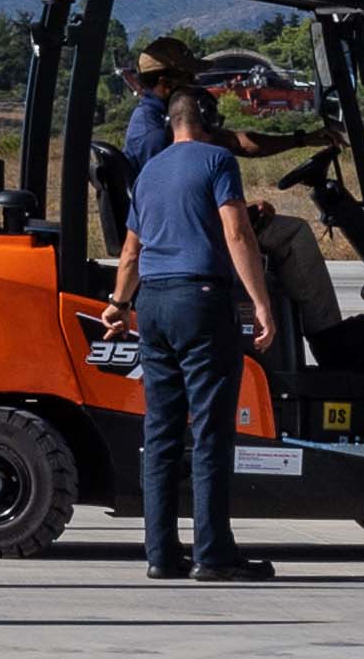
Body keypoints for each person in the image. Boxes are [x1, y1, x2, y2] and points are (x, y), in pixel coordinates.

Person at [107, 84, 280, 582]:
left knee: (160, 429)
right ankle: (213, 553)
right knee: (209, 429)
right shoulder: (217, 162)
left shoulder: (148, 172)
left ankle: (160, 553)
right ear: (206, 117)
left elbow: (131, 252)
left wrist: (119, 305)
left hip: (153, 305)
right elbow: (236, 232)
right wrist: (262, 303)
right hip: (201, 301)